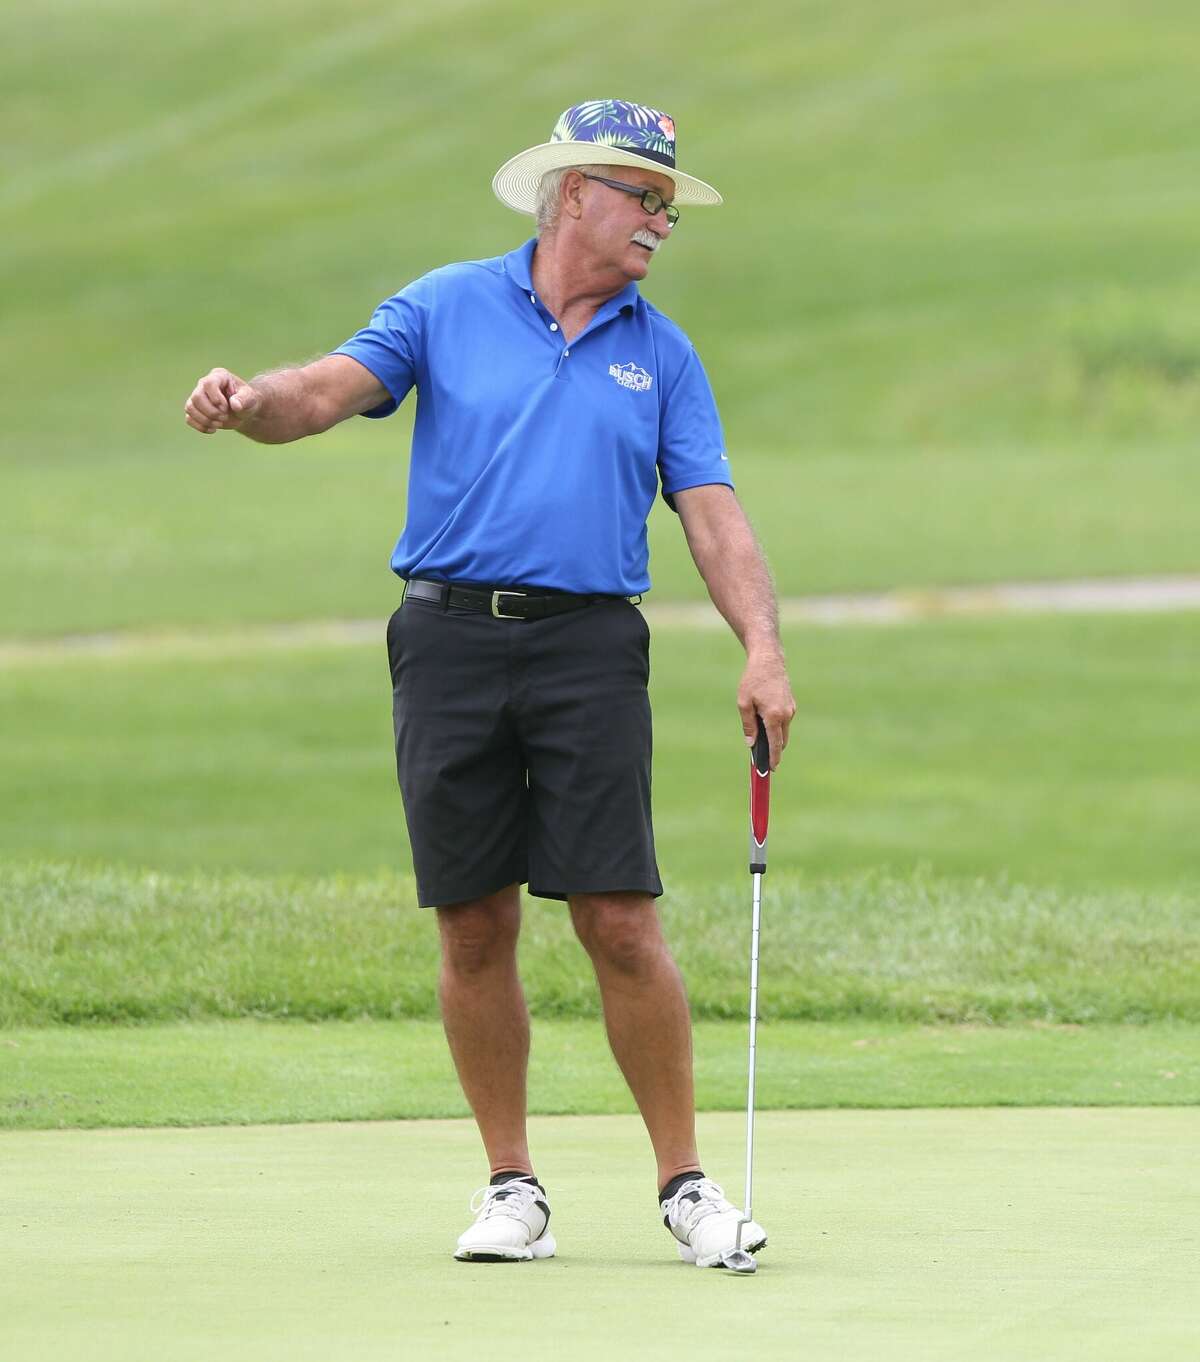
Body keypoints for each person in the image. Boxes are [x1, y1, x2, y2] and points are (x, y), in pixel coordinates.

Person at [184, 98, 795, 1269]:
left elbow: (711, 513)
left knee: (620, 919)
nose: (662, 220)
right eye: (643, 196)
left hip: (589, 651)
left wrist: (761, 646)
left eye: (669, 202)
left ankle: (686, 1187)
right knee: (473, 922)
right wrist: (249, 401)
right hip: (450, 642)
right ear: (573, 194)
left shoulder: (660, 352)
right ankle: (512, 1190)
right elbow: (321, 391)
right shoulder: (445, 304)